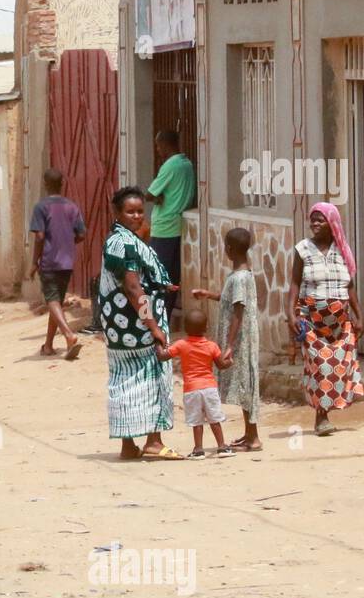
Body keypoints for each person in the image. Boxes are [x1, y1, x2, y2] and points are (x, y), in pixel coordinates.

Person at [100, 187, 181, 461]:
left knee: (123, 381)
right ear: (117, 213)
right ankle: (154, 441)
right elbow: (133, 288)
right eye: (130, 211)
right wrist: (154, 326)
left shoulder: (118, 240)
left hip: (119, 329)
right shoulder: (126, 244)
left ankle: (127, 444)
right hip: (137, 327)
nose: (136, 216)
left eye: (139, 212)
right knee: (154, 377)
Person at [287, 202, 364, 436]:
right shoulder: (302, 250)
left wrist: (359, 316)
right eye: (313, 220)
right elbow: (295, 283)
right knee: (320, 366)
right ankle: (322, 417)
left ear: (332, 223)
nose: (315, 224)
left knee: (338, 366)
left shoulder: (342, 250)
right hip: (311, 320)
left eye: (320, 220)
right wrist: (290, 314)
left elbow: (349, 287)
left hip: (340, 324)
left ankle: (333, 405)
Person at [191, 228, 262, 450]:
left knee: (245, 385)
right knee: (243, 385)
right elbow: (231, 299)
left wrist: (230, 344)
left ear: (228, 249)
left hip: (241, 341)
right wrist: (209, 294)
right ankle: (249, 433)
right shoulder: (241, 275)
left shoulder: (240, 277)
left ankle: (254, 437)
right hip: (240, 339)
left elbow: (238, 310)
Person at [157, 309, 235, 459]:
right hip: (209, 388)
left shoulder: (181, 344)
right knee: (215, 419)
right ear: (206, 328)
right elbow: (221, 365)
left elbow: (162, 356)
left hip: (191, 390)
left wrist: (157, 342)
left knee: (197, 421)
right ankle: (222, 447)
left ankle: (198, 450)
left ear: (186, 328)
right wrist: (229, 361)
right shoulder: (212, 346)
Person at [28, 167, 86, 359]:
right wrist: (68, 242)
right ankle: (48, 345)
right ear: (62, 184)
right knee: (57, 302)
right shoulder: (72, 207)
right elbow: (82, 234)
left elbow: (39, 236)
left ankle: (69, 335)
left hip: (49, 260)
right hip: (67, 261)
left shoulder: (41, 207)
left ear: (45, 184)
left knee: (51, 300)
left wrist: (34, 262)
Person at [145, 130, 196, 312]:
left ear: (165, 144)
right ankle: (165, 313)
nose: (158, 150)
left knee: (156, 274)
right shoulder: (187, 164)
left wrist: (157, 196)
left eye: (158, 146)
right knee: (172, 276)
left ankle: (156, 315)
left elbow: (149, 194)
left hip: (163, 227)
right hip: (176, 225)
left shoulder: (170, 166)